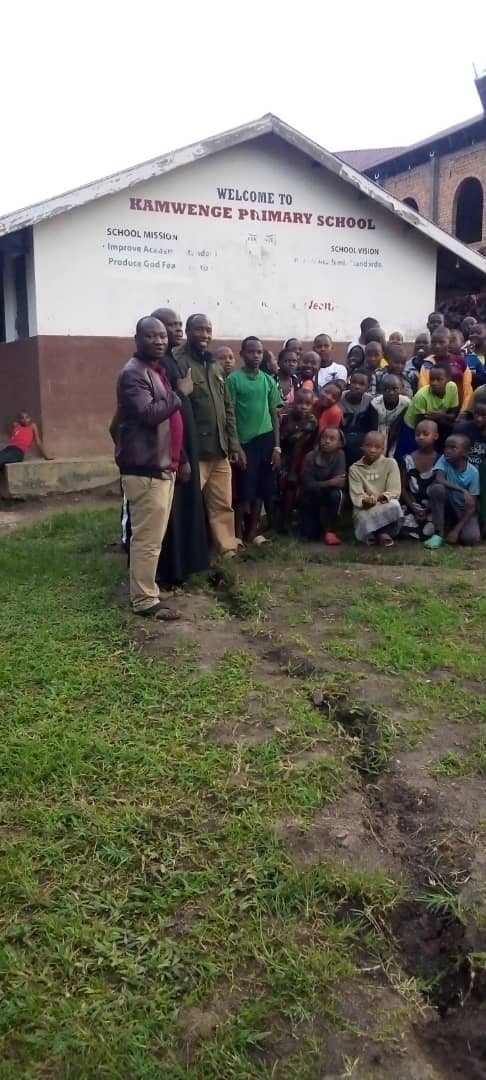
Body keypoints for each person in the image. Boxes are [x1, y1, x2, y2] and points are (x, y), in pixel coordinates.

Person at [114, 316, 182, 618]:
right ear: (137, 339)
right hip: (146, 469)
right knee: (146, 539)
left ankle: (147, 588)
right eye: (151, 336)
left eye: (162, 336)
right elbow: (149, 414)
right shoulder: (133, 373)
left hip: (161, 466)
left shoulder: (153, 371)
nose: (159, 341)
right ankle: (143, 600)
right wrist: (179, 395)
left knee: (154, 537)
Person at [151, 307, 209, 588]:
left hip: (188, 443)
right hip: (176, 451)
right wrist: (182, 456)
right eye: (169, 325)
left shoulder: (171, 360)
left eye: (177, 324)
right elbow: (163, 414)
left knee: (186, 507)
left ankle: (185, 565)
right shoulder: (159, 365)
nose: (175, 330)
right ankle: (171, 571)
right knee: (173, 512)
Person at [174, 314, 241, 557]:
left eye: (208, 330)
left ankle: (226, 548)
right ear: (187, 331)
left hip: (219, 449)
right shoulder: (179, 362)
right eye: (199, 329)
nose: (205, 335)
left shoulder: (214, 364)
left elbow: (227, 406)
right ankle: (192, 553)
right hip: (196, 451)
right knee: (190, 506)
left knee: (222, 503)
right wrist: (182, 454)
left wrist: (233, 443)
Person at [226, 336, 281, 542]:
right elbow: (229, 413)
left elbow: (274, 414)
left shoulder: (268, 380)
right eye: (251, 352)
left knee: (261, 489)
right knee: (243, 490)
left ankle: (252, 532)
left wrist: (277, 447)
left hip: (265, 440)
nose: (256, 356)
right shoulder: (233, 380)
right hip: (245, 443)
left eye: (259, 352)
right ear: (242, 354)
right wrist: (236, 446)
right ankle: (237, 534)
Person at [424, 433, 480, 548]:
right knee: (437, 488)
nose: (448, 451)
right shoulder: (444, 460)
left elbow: (471, 507)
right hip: (448, 504)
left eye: (453, 447)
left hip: (463, 509)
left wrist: (456, 530)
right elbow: (439, 479)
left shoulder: (473, 473)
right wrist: (462, 490)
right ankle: (438, 534)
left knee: (471, 538)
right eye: (446, 447)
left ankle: (453, 528)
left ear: (465, 452)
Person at [349, 431, 403, 546]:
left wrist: (378, 497)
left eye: (377, 447)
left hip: (383, 503)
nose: (372, 450)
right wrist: (366, 501)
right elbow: (357, 496)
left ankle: (380, 533)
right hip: (365, 508)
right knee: (361, 514)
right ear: (362, 447)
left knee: (395, 505)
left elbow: (395, 491)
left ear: (383, 449)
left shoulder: (390, 463)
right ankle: (376, 534)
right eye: (368, 445)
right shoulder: (354, 469)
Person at [279, 388, 318, 531]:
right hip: (281, 452)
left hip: (300, 457)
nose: (304, 407)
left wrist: (292, 471)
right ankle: (273, 520)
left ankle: (287, 520)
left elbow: (299, 445)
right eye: (300, 403)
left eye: (308, 404)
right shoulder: (285, 416)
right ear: (293, 402)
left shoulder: (311, 421)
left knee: (291, 485)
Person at [399, 366, 460, 455]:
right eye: (431, 379)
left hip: (437, 423)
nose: (434, 383)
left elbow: (454, 414)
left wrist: (442, 416)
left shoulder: (452, 387)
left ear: (448, 379)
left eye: (439, 379)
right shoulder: (421, 396)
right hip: (413, 427)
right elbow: (421, 426)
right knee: (410, 456)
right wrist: (444, 417)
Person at [300, 427, 346, 545]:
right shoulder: (310, 457)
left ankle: (330, 530)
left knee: (336, 495)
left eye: (332, 439)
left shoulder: (340, 455)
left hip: (328, 494)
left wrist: (321, 485)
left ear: (340, 443)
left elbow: (340, 483)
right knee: (310, 535)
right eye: (324, 437)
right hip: (311, 497)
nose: (327, 441)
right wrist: (329, 483)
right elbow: (307, 485)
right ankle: (318, 525)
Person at [400, 419, 439, 540]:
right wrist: (414, 509)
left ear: (436, 436)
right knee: (400, 526)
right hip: (413, 505)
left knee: (434, 523)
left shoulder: (441, 461)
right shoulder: (407, 459)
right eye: (417, 434)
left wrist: (427, 510)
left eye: (425, 434)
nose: (420, 437)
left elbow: (441, 492)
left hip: (432, 507)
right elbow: (403, 488)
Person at [455, 399, 486, 536]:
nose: (479, 419)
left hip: (483, 481)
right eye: (477, 414)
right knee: (470, 537)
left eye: (484, 416)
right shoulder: (462, 430)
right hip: (464, 478)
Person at [369, 374, 409, 455]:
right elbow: (374, 428)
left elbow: (397, 425)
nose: (391, 392)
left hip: (396, 431)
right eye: (386, 389)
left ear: (401, 388)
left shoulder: (405, 403)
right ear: (381, 390)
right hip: (379, 430)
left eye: (395, 389)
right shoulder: (375, 404)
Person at [341, 370, 373, 465]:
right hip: (342, 435)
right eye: (354, 382)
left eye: (362, 384)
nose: (357, 386)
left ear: (368, 387)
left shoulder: (370, 400)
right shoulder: (339, 397)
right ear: (349, 382)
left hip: (359, 438)